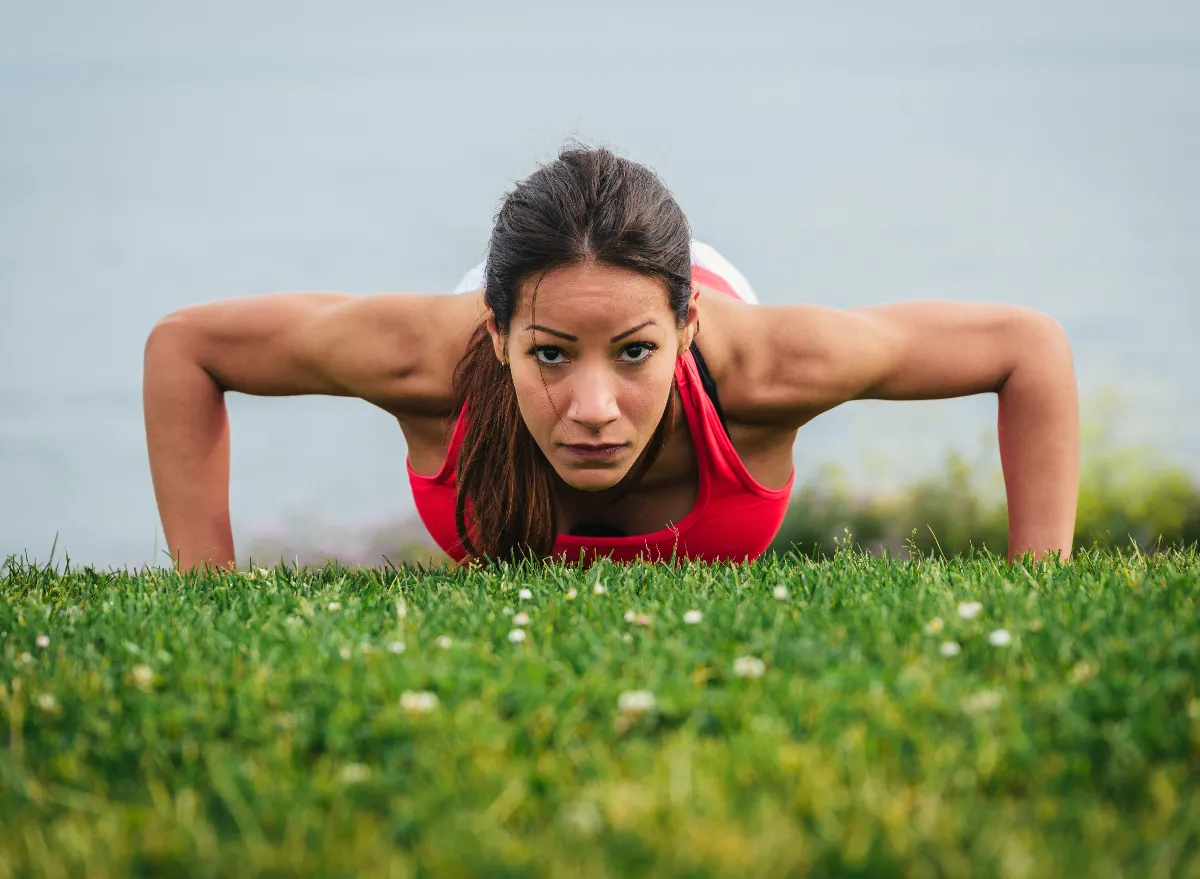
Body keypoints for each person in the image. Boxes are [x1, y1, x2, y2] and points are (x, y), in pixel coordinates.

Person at [143, 145, 1079, 572]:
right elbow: (187, 348)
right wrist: (205, 580)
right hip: (535, 287)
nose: (594, 408)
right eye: (551, 358)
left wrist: (1041, 582)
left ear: (687, 328)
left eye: (635, 356)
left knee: (603, 324)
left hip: (663, 294)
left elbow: (1024, 349)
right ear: (497, 333)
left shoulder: (764, 369)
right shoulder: (427, 358)